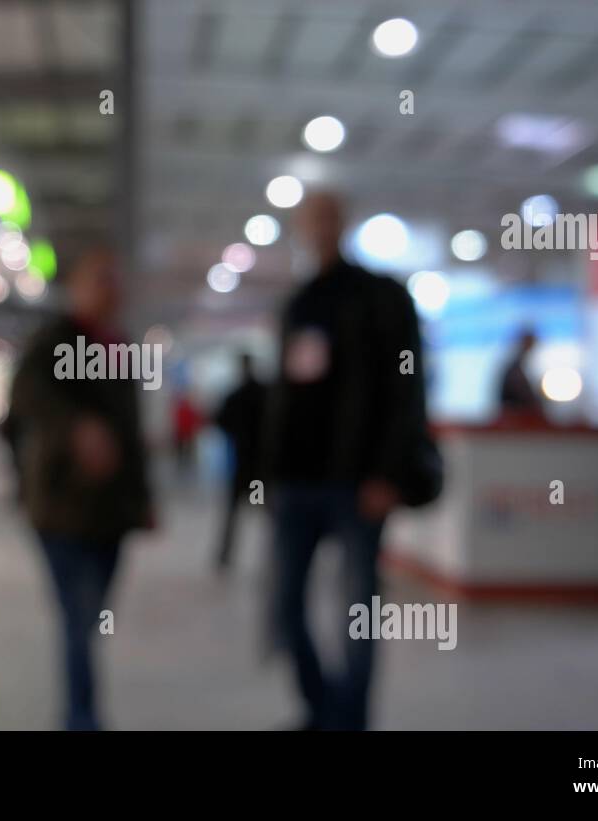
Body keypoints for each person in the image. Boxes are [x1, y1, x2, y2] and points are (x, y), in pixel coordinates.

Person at [263, 191, 427, 730]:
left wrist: (387, 471)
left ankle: (351, 720)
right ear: (302, 227)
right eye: (311, 218)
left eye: (329, 215)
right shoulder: (300, 303)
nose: (320, 227)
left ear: (343, 222)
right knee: (285, 606)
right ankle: (324, 709)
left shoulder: (381, 298)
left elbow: (407, 390)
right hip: (297, 482)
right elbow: (286, 393)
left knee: (359, 611)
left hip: (358, 481)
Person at [5, 248, 153, 730]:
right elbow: (26, 396)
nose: (109, 289)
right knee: (79, 618)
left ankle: (82, 713)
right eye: (98, 279)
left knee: (90, 619)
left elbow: (131, 434)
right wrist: (77, 429)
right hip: (61, 511)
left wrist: (144, 499)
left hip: (111, 513)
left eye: (114, 279)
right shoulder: (53, 341)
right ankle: (81, 718)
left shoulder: (119, 348)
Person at [212, 352, 266, 572]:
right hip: (259, 466)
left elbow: (220, 420)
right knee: (263, 510)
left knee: (233, 513)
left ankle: (225, 555)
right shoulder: (264, 393)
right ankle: (269, 554)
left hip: (243, 463)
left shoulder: (235, 396)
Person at [498, 330, 544, 417]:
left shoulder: (523, 366)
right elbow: (523, 397)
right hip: (516, 419)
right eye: (530, 343)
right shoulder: (514, 369)